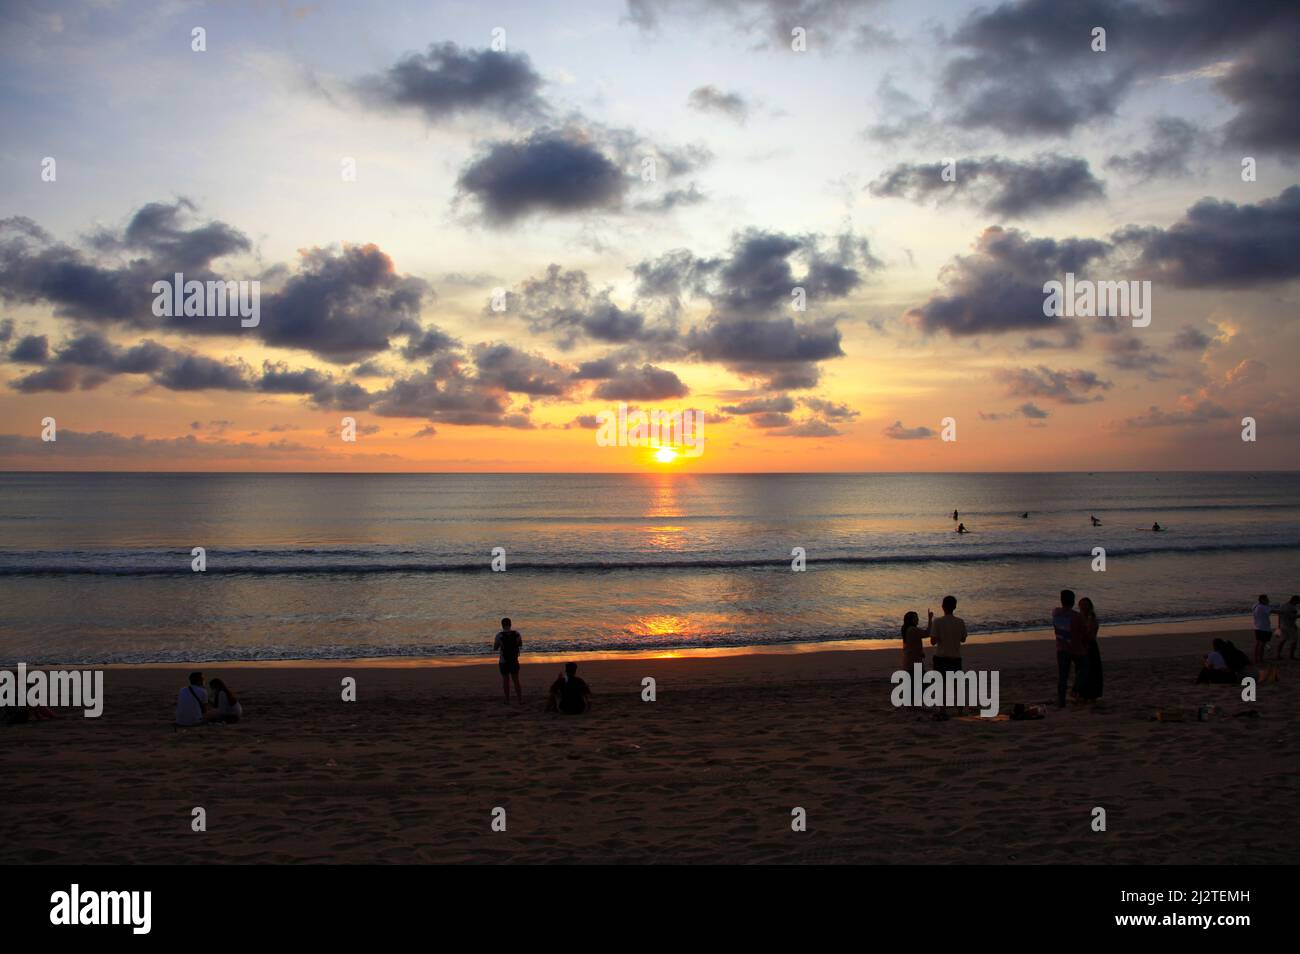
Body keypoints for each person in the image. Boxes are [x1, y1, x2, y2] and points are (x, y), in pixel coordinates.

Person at [1051, 590, 1087, 707]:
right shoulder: (1077, 617)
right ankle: (1075, 690)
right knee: (1083, 670)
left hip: (1062, 648)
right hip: (1076, 649)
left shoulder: (1055, 613)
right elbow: (1084, 632)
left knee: (1063, 676)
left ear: (1062, 601)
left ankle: (1061, 700)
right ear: (1073, 601)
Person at [929, 596, 967, 673]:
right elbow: (963, 639)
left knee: (941, 683)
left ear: (942, 606)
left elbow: (933, 642)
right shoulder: (960, 621)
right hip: (955, 658)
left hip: (940, 658)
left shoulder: (937, 621)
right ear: (955, 607)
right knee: (954, 683)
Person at [1076, 597, 1103, 700]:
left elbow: (1091, 636)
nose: (1083, 607)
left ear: (1090, 606)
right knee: (1081, 671)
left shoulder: (1092, 619)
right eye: (1081, 605)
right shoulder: (1079, 617)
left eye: (1085, 605)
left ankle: (1092, 694)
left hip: (1090, 646)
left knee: (1092, 671)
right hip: (1081, 646)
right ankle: (1082, 693)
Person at [493, 617, 523, 705]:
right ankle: (519, 700)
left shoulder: (499, 635)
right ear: (510, 624)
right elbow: (520, 644)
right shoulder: (517, 634)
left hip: (504, 661)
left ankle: (507, 700)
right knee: (516, 680)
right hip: (514, 660)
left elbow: (495, 648)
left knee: (506, 681)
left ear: (502, 625)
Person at [1273, 596, 1299, 660]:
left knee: (1282, 640)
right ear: (1294, 600)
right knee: (1294, 641)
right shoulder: (1291, 607)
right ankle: (1291, 656)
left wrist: (1279, 625)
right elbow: (1292, 617)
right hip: (1289, 626)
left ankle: (1278, 655)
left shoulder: (1283, 605)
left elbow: (1279, 615)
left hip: (1283, 625)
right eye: (1298, 601)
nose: (1298, 603)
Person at [1252, 595, 1272, 664]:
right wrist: (1283, 612)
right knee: (1262, 644)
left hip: (1257, 627)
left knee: (1258, 643)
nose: (1268, 600)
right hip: (1263, 628)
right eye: (1267, 599)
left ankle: (1256, 658)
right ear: (1263, 600)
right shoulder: (1264, 607)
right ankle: (1260, 659)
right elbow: (1271, 611)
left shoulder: (1255, 605)